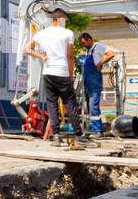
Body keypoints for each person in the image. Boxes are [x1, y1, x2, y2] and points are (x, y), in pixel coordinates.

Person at [24, 10, 94, 146]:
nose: (65, 22)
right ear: (59, 19)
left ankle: (55, 136)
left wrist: (41, 57)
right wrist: (70, 75)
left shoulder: (41, 33)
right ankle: (79, 136)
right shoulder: (68, 33)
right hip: (62, 72)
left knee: (52, 104)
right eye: (65, 20)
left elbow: (27, 49)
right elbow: (70, 57)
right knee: (70, 104)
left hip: (48, 73)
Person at [77, 32, 115, 135]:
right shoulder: (89, 51)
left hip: (94, 82)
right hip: (88, 83)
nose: (83, 45)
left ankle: (97, 130)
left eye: (84, 43)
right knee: (91, 107)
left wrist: (100, 63)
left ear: (89, 39)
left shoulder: (98, 46)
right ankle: (95, 128)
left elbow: (111, 54)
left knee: (93, 105)